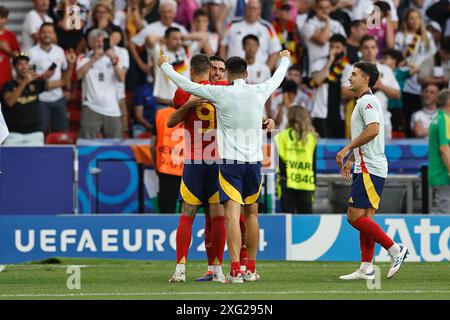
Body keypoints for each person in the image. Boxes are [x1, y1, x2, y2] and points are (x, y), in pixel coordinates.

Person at [158, 49, 291, 283]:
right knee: (237, 215)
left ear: (227, 73)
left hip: (218, 160)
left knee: (225, 216)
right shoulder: (241, 91)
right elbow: (277, 77)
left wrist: (164, 66)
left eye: (222, 70)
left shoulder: (214, 92)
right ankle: (240, 268)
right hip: (231, 160)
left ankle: (225, 269)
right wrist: (285, 59)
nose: (218, 73)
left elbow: (177, 108)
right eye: (214, 69)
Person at [336, 62, 408, 281]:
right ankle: (366, 268)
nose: (350, 78)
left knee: (354, 217)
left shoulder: (367, 100)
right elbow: (367, 133)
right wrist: (352, 158)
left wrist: (347, 148)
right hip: (368, 164)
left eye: (354, 74)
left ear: (366, 79)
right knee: (366, 217)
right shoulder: (364, 101)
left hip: (370, 166)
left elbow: (373, 129)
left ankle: (395, 249)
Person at [165, 54, 228, 283]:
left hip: (194, 161)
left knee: (187, 214)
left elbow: (171, 120)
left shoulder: (184, 91)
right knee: (217, 217)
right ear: (210, 70)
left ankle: (180, 270)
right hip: (218, 161)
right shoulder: (223, 89)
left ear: (191, 72)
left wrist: (190, 104)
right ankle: (218, 270)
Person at [342, 35, 401, 140]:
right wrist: (365, 87)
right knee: (360, 155)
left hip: (383, 120)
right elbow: (344, 94)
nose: (370, 51)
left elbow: (397, 94)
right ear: (360, 50)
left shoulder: (386, 69)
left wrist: (381, 86)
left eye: (373, 47)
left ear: (377, 49)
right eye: (366, 47)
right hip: (360, 120)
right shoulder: (352, 68)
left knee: (384, 154)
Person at [1, 53, 63, 146]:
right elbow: (10, 102)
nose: (24, 66)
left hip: (35, 134)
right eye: (20, 64)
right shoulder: (8, 86)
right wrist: (25, 81)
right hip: (13, 134)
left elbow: (63, 82)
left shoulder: (35, 83)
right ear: (14, 67)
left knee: (37, 160)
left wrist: (69, 66)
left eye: (26, 63)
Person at [394, 8, 437, 137]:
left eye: (417, 18)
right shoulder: (401, 36)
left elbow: (433, 57)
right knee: (408, 116)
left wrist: (422, 68)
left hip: (422, 82)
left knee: (422, 115)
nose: (414, 21)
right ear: (406, 21)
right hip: (407, 83)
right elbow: (397, 58)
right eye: (411, 18)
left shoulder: (427, 36)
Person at [76, 30, 126, 139]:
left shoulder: (114, 58)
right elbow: (79, 75)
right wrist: (94, 58)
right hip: (91, 106)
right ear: (91, 44)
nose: (100, 44)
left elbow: (121, 78)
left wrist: (114, 60)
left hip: (112, 109)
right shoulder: (83, 58)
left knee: (116, 146)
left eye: (103, 41)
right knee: (87, 145)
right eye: (97, 41)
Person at [28, 23, 75, 133]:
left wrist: (67, 89)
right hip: (40, 99)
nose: (46, 35)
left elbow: (65, 71)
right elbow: (28, 78)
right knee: (40, 132)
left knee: (62, 132)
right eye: (44, 32)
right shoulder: (31, 52)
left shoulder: (59, 51)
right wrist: (42, 77)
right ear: (39, 34)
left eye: (50, 32)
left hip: (58, 97)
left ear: (54, 34)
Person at [275, 105, 318, 213]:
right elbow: (313, 166)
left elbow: (279, 163)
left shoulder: (281, 137)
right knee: (305, 224)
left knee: (288, 223)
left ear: (289, 117)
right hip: (307, 183)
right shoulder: (312, 138)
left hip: (287, 183)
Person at [220, 0, 281, 71]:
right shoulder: (232, 24)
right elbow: (223, 45)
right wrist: (224, 68)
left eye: (255, 8)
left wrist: (267, 71)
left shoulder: (267, 28)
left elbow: (275, 50)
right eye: (250, 8)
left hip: (258, 73)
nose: (252, 11)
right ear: (245, 8)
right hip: (233, 71)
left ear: (260, 10)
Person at [310, 34, 349, 138]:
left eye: (337, 47)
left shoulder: (348, 67)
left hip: (340, 116)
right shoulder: (319, 63)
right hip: (320, 114)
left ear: (343, 49)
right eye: (331, 47)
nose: (333, 51)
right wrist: (330, 61)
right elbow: (317, 80)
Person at [145, 27, 191, 106]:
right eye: (175, 39)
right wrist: (162, 38)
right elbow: (149, 39)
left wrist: (185, 37)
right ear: (166, 39)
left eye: (180, 39)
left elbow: (204, 37)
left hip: (183, 103)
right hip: (163, 102)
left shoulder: (187, 52)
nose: (179, 42)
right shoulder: (159, 52)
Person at [150, 105, 184, 213]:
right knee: (188, 211)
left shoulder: (160, 114)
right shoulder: (196, 113)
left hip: (166, 167)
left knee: (166, 208)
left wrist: (156, 165)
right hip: (189, 169)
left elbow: (152, 145)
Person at [301, 0, 346, 76]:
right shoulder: (309, 24)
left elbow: (344, 46)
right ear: (316, 8)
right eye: (321, 8)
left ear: (331, 8)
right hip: (315, 68)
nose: (324, 10)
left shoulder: (337, 24)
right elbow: (322, 40)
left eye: (327, 7)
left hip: (335, 67)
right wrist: (327, 21)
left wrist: (321, 33)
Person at [381, 48, 419, 134]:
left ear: (394, 60)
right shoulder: (380, 72)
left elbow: (416, 68)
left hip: (397, 108)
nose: (382, 61)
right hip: (383, 108)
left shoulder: (400, 72)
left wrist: (405, 63)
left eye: (386, 58)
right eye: (382, 58)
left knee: (397, 134)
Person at [428, 88, 450, 214]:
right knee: (443, 214)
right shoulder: (444, 120)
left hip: (438, 173)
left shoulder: (437, 118)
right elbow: (444, 149)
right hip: (444, 175)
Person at [0, 6, 20, 91]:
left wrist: (7, 50)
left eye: (1, 17)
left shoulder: (11, 35)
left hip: (6, 80)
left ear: (6, 19)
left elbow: (18, 57)